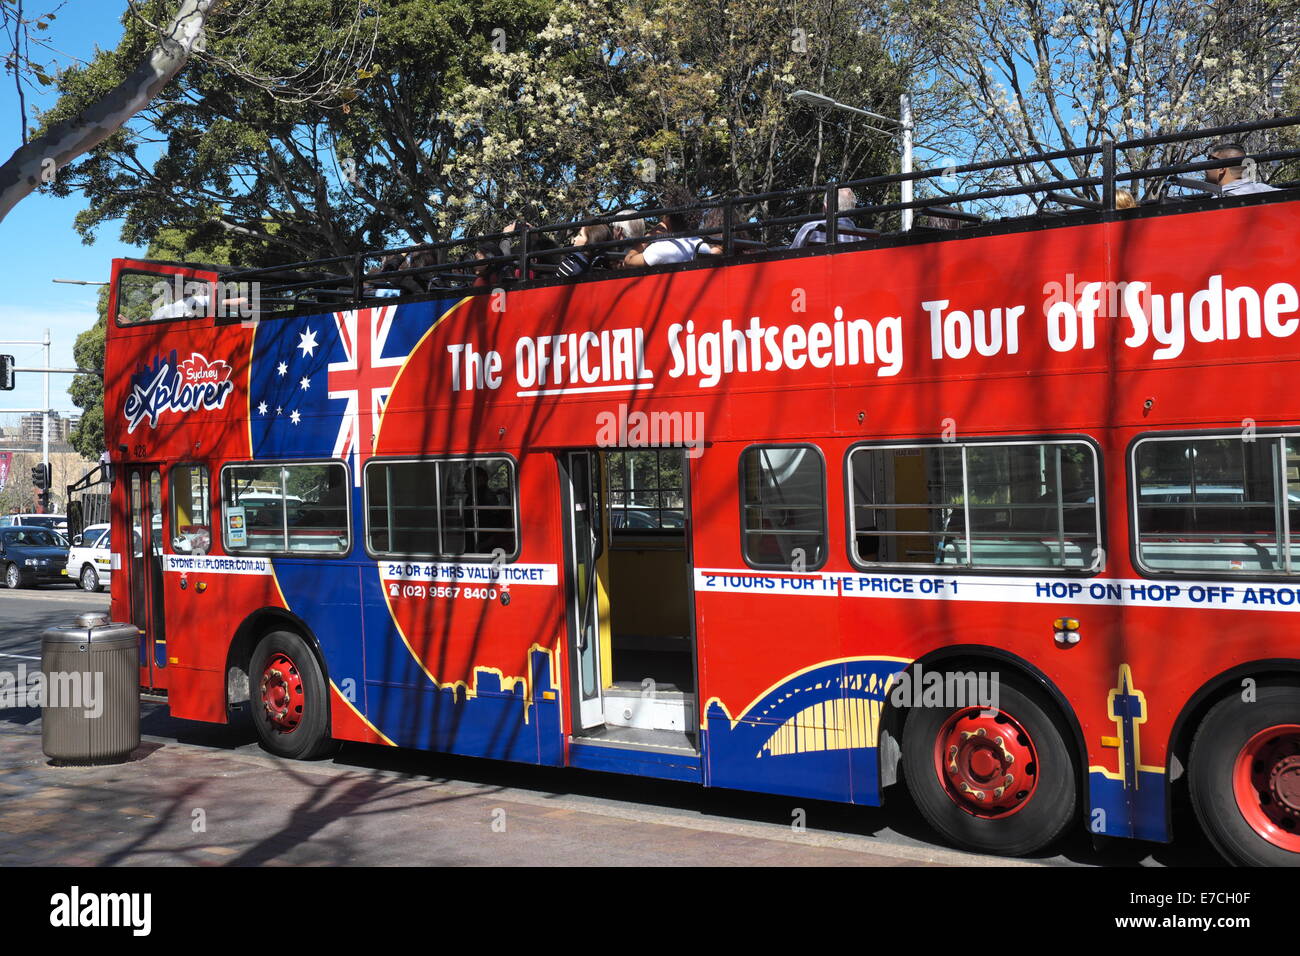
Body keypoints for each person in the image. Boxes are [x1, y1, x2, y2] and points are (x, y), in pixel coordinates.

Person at [623, 191, 700, 267]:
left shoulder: (660, 249)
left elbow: (628, 261)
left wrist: (648, 237)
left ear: (669, 220)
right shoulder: (701, 244)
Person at [790, 187, 867, 248]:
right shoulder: (862, 237)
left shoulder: (810, 228)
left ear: (826, 207)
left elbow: (792, 255)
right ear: (852, 209)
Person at [1205, 142, 1279, 195]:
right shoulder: (1266, 190)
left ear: (1221, 168)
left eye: (1210, 160)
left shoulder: (1215, 204)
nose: (1205, 167)